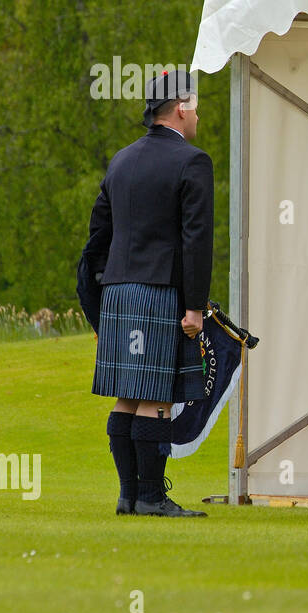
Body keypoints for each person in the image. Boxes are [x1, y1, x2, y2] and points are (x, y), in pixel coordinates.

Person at [82, 69, 212, 518]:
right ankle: (151, 497)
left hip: (116, 293)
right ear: (180, 108)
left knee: (128, 395)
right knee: (156, 394)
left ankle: (128, 496)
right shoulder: (193, 162)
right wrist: (194, 306)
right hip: (160, 293)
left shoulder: (120, 161)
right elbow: (197, 240)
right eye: (195, 106)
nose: (197, 114)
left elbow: (96, 241)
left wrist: (95, 307)